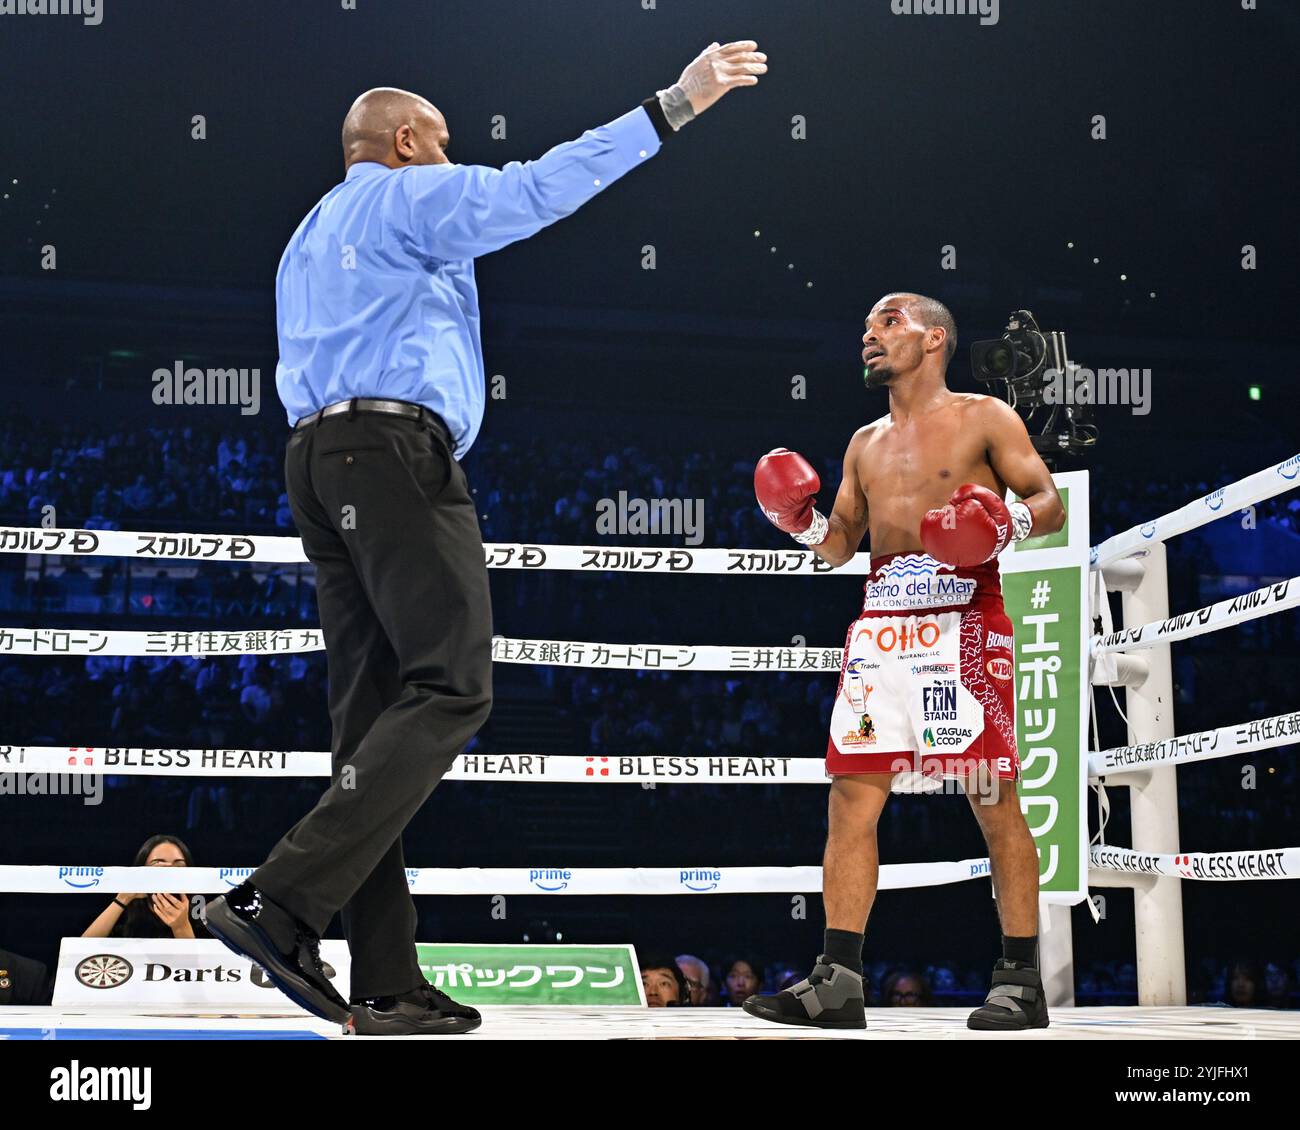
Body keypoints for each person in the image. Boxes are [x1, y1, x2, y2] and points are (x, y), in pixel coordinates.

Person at [203, 40, 767, 1037]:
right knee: (454, 684)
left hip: (314, 461)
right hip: (390, 453)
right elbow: (539, 187)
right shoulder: (407, 195)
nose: (452, 157)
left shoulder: (307, 232)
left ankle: (382, 977)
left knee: (370, 724)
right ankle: (277, 896)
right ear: (410, 140)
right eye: (445, 142)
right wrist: (675, 103)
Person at [746, 293, 1065, 1031]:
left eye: (888, 322)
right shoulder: (863, 442)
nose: (870, 335)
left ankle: (1020, 980)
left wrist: (1002, 520)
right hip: (883, 628)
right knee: (850, 801)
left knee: (990, 799)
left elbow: (1048, 502)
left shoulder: (985, 416)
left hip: (964, 622)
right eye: (865, 327)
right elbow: (842, 544)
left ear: (934, 339)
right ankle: (838, 981)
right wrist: (799, 522)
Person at [82, 834, 208, 940]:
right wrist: (121, 900)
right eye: (159, 864)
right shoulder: (126, 914)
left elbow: (202, 966)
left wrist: (181, 926)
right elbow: (81, 951)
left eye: (178, 866)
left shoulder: (202, 915)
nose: (169, 871)